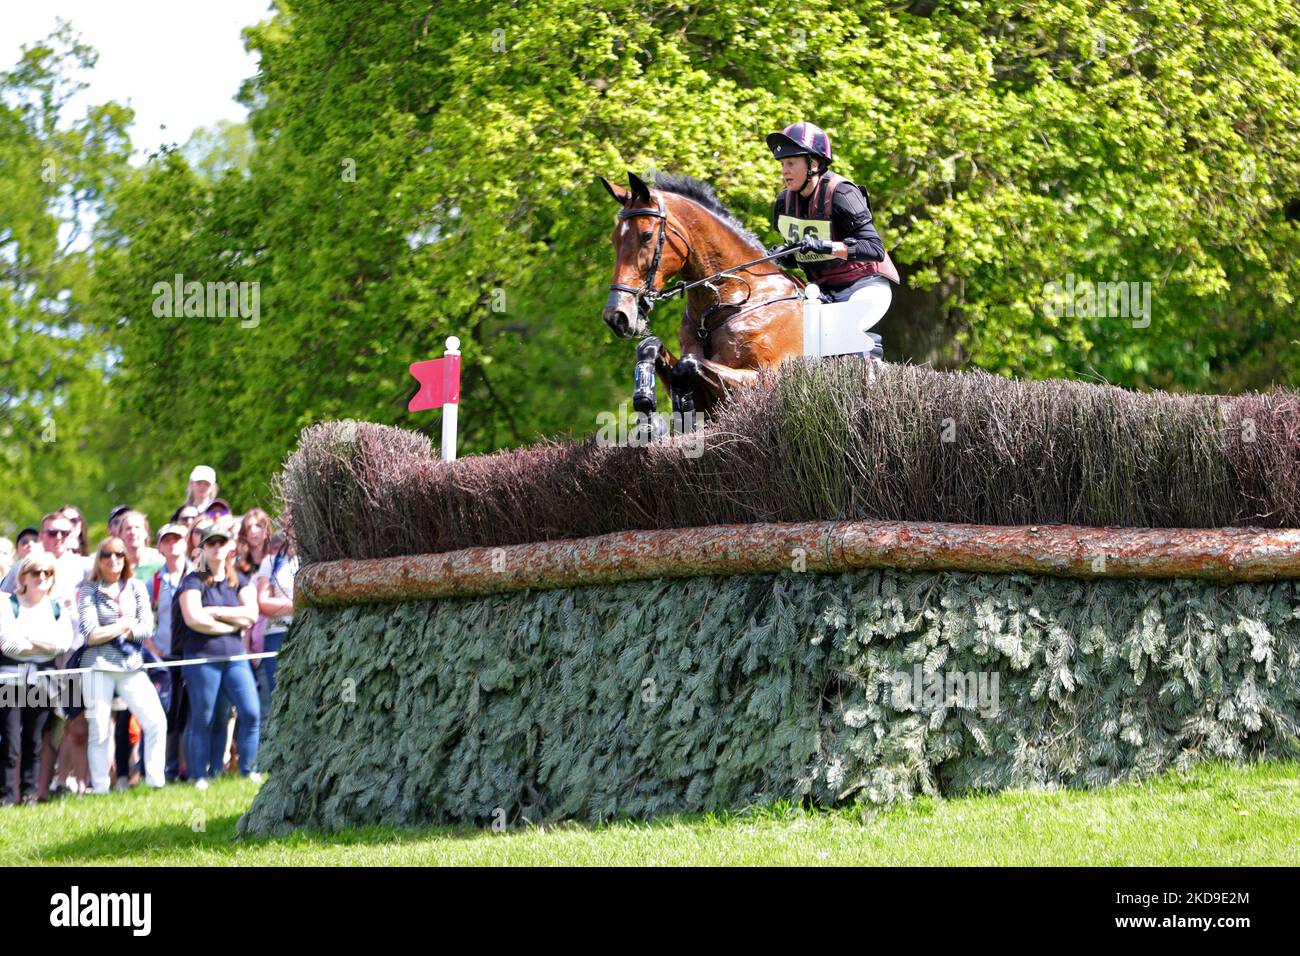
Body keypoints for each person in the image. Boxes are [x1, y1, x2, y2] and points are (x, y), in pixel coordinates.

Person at [766, 121, 900, 341]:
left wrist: (826, 246)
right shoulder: (784, 202)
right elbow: (800, 258)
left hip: (864, 287)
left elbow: (875, 249)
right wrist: (783, 255)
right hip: (822, 293)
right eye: (782, 164)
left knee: (837, 338)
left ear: (814, 163)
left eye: (791, 163)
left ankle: (872, 368)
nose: (784, 171)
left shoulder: (842, 193)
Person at [76, 537, 166, 793]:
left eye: (118, 554)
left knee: (156, 720)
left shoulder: (136, 586)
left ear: (125, 557)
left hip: (130, 664)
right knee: (99, 729)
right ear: (99, 560)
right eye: (106, 555)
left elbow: (147, 627)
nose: (113, 559)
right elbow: (90, 634)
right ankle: (101, 788)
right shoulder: (89, 589)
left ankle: (156, 781)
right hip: (98, 666)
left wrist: (120, 631)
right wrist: (125, 625)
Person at [176, 525, 261, 789]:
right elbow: (193, 618)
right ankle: (200, 776)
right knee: (204, 716)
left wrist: (215, 611)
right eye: (210, 543)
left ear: (229, 547)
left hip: (235, 656)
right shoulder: (192, 580)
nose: (216, 548)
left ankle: (248, 771)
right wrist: (231, 625)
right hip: (202, 658)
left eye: (221, 543)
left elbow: (251, 615)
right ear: (202, 549)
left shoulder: (240, 580)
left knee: (251, 712)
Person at [0, 553, 76, 804]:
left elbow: (63, 644)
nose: (42, 577)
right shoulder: (6, 603)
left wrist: (28, 639)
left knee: (34, 740)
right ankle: (8, 796)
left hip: (43, 681)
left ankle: (30, 794)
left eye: (47, 572)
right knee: (11, 742)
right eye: (35, 572)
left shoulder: (57, 608)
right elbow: (9, 646)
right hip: (10, 679)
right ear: (23, 576)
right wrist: (44, 643)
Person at [146, 524, 191, 781]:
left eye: (178, 539)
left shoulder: (196, 575)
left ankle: (185, 768)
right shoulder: (152, 580)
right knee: (165, 712)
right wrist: (152, 648)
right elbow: (143, 619)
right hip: (162, 657)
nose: (173, 543)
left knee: (187, 712)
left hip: (191, 654)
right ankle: (167, 768)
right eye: (167, 539)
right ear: (161, 546)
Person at [255, 532, 296, 743]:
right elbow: (263, 603)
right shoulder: (271, 561)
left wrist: (283, 607)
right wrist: (301, 605)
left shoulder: (312, 557)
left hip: (306, 631)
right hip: (277, 635)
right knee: (277, 698)